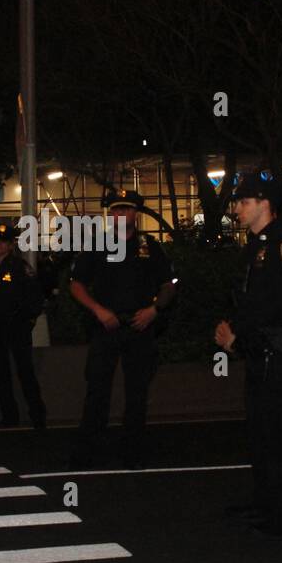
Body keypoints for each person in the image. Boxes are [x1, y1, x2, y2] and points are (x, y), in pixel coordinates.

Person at [215, 172, 282, 538]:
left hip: (281, 352)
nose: (237, 208)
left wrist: (236, 341)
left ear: (264, 203)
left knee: (278, 433)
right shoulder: (256, 245)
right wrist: (235, 334)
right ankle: (264, 501)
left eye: (243, 201)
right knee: (259, 430)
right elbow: (246, 300)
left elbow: (276, 305)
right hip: (261, 352)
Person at [69, 190, 177, 469]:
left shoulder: (150, 247)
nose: (120, 215)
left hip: (140, 326)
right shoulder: (97, 245)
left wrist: (154, 311)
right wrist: (98, 309)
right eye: (116, 210)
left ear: (135, 214)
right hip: (106, 326)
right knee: (97, 390)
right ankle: (89, 451)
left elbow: (168, 284)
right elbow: (76, 284)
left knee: (137, 391)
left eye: (126, 210)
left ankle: (134, 452)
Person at [0, 222, 46, 429]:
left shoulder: (20, 267)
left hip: (17, 327)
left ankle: (37, 415)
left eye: (3, 242)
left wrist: (28, 320)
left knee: (25, 371)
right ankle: (9, 416)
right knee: (0, 374)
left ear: (11, 245)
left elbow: (34, 296)